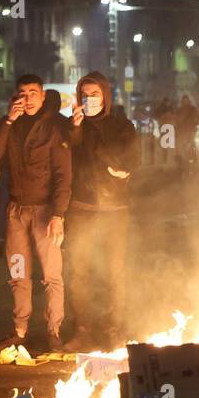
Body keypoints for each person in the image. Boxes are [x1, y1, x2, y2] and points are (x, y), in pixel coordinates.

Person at [0, 74, 72, 352]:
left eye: (32, 93)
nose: (27, 98)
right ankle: (19, 330)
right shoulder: (10, 126)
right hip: (15, 211)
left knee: (51, 275)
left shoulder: (54, 127)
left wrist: (58, 215)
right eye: (22, 93)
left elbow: (64, 175)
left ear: (42, 94)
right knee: (18, 272)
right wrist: (8, 121)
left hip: (45, 212)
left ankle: (53, 330)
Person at [66, 72, 139, 351]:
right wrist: (75, 128)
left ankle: (113, 329)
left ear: (105, 96)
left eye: (95, 94)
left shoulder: (121, 125)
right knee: (79, 270)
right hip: (82, 208)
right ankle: (82, 329)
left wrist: (123, 170)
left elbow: (132, 159)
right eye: (85, 95)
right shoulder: (74, 125)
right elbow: (68, 154)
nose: (90, 99)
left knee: (114, 272)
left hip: (115, 208)